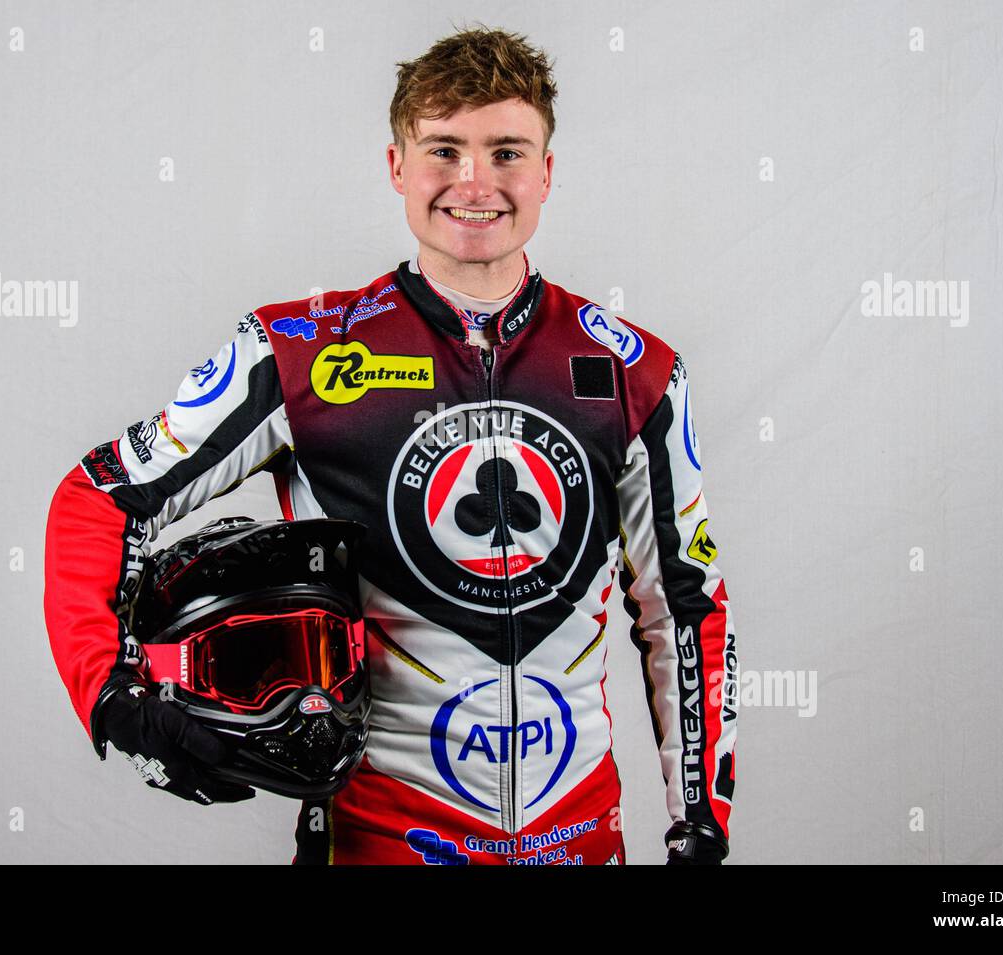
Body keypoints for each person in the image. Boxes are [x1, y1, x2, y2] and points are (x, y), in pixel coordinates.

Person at [44, 26, 736, 865]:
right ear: (397, 167)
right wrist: (112, 695)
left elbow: (683, 607)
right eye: (443, 149)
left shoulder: (638, 369)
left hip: (582, 839)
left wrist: (700, 821)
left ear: (548, 172)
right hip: (375, 841)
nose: (473, 182)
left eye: (506, 151)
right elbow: (98, 497)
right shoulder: (296, 351)